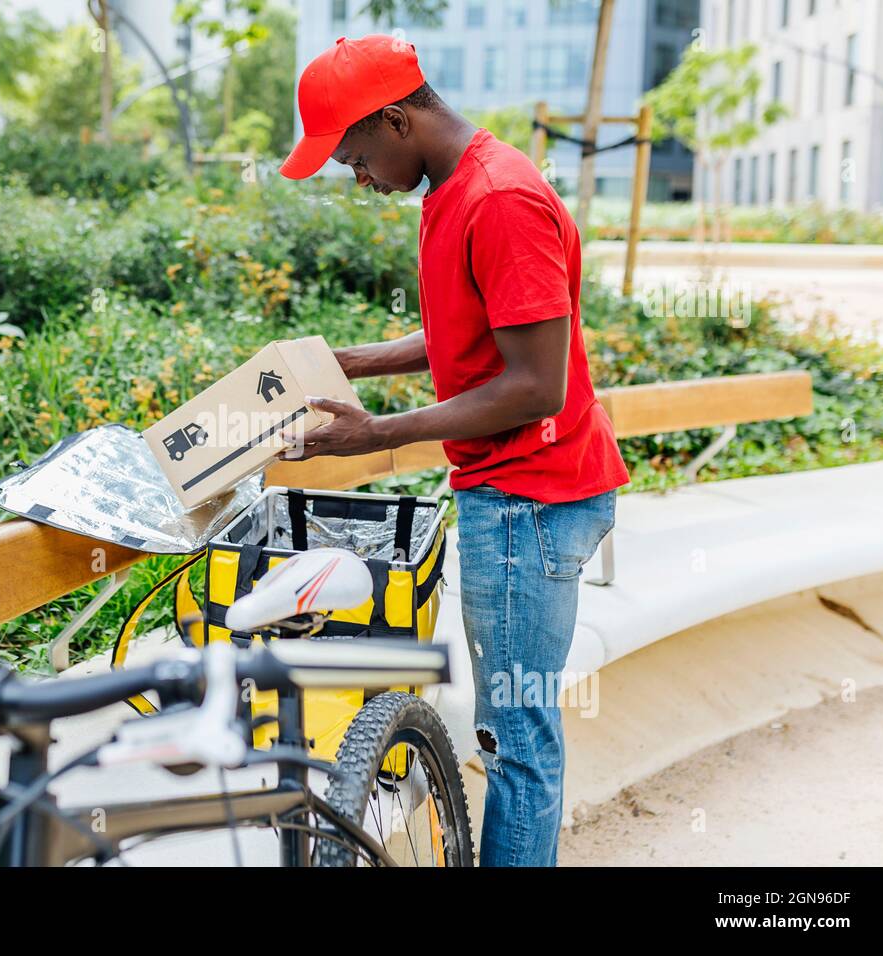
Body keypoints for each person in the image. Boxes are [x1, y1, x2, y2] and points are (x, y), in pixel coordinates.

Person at [279, 35, 629, 867]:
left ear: (396, 119)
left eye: (355, 158)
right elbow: (470, 331)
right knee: (510, 729)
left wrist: (379, 433)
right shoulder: (456, 185)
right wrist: (355, 361)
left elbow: (535, 383)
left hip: (530, 501)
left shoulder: (499, 198)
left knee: (515, 741)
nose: (358, 180)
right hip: (520, 492)